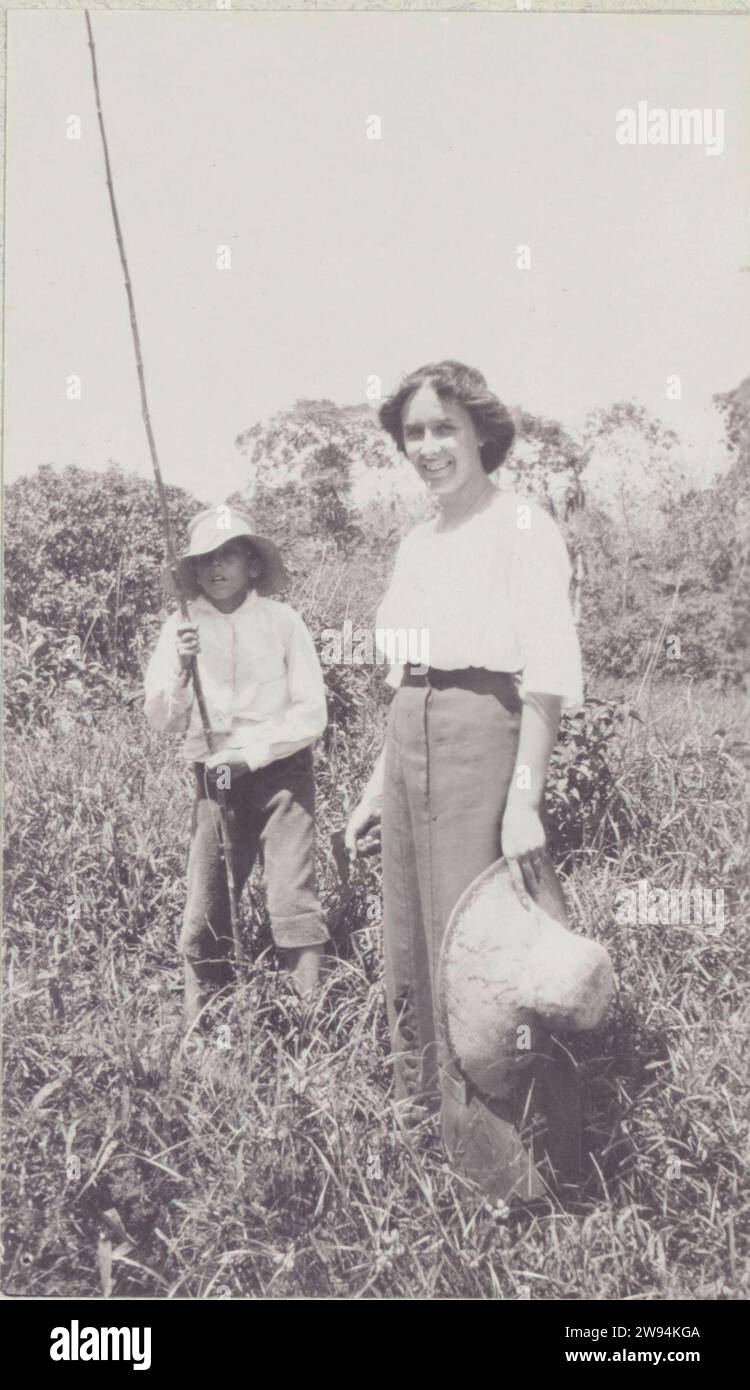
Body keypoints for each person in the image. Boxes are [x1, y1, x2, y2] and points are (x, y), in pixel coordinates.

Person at [344, 361, 584, 1195]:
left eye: (445, 427)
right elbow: (409, 675)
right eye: (414, 432)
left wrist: (524, 802)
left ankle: (506, 1179)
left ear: (482, 430)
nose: (430, 446)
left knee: (477, 948)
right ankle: (427, 1140)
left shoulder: (522, 524)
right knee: (411, 938)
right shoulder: (419, 540)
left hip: (486, 735)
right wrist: (380, 784)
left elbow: (547, 674)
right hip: (412, 735)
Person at [144, 506, 329, 1025]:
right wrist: (181, 671)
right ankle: (202, 1026)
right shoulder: (180, 627)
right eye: (204, 559)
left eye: (228, 555)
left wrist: (250, 757)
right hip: (213, 780)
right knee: (205, 904)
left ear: (252, 564)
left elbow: (311, 712)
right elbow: (161, 719)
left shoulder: (282, 622)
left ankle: (308, 1026)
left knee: (291, 895)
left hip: (280, 776)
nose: (215, 568)